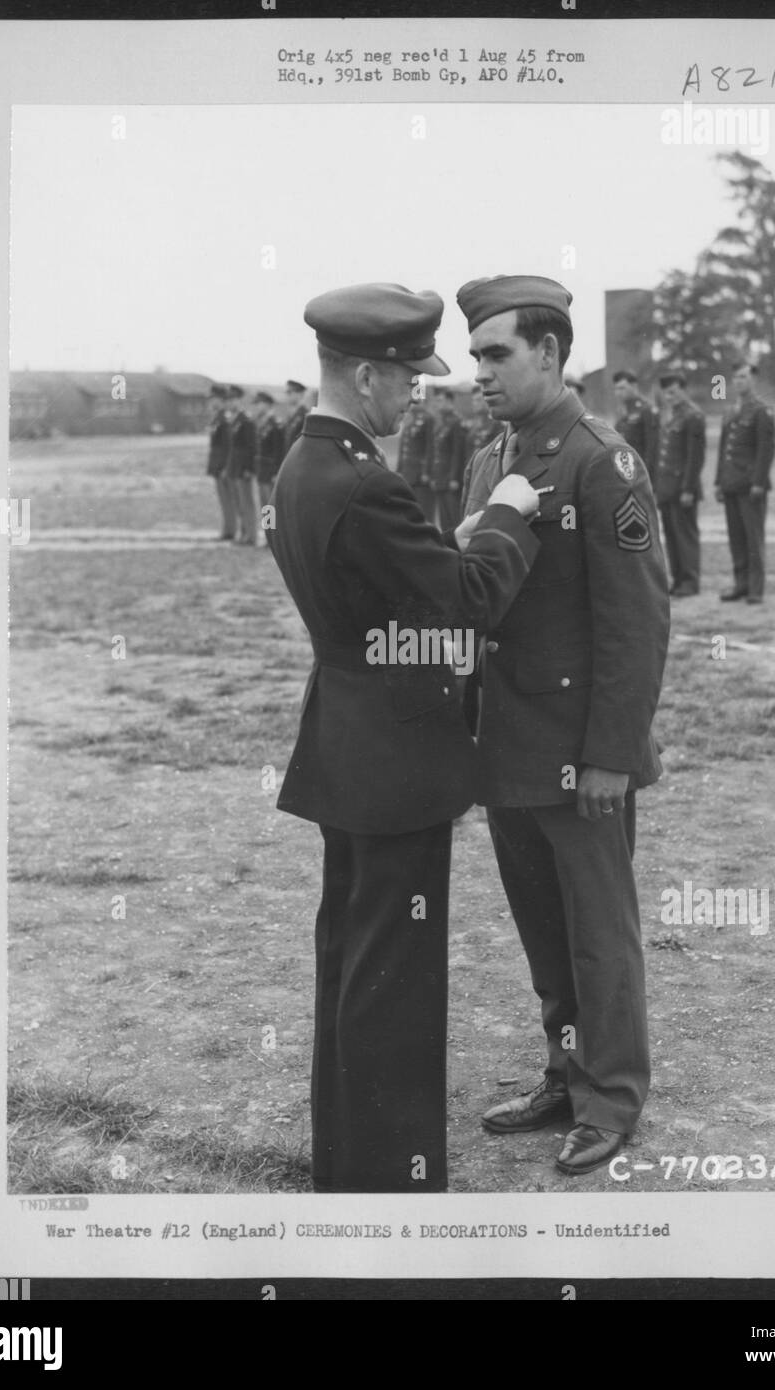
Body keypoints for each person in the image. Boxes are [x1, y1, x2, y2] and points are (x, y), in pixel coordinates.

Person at [266, 282, 542, 1193]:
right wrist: (504, 513)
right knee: (395, 978)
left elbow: (384, 585)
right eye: (406, 378)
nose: (417, 391)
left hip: (347, 746)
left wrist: (447, 541)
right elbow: (463, 604)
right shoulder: (361, 480)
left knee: (352, 961)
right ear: (363, 371)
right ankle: (393, 1184)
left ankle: (348, 1163)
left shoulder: (306, 466)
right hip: (395, 762)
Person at [457, 274, 670, 1176]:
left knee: (597, 931)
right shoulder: (487, 457)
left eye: (496, 354)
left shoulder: (600, 460)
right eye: (474, 357)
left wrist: (612, 756)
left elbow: (637, 621)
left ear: (548, 353)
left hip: (580, 755)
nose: (479, 372)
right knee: (545, 929)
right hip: (508, 744)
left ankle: (611, 1098)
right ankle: (564, 1071)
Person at [715, 363, 775, 603]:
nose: (739, 381)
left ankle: (755, 589)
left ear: (753, 380)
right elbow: (723, 450)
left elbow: (766, 449)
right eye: (735, 377)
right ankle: (740, 584)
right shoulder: (731, 411)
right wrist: (719, 482)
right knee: (736, 537)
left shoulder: (761, 411)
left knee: (753, 538)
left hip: (750, 485)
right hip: (731, 483)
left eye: (743, 377)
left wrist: (759, 482)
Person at [656, 371, 705, 597]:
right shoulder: (670, 416)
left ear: (684, 390)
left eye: (674, 392)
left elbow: (695, 458)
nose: (670, 397)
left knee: (685, 536)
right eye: (666, 393)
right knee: (672, 536)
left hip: (683, 487)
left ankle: (690, 581)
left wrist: (688, 488)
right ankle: (678, 579)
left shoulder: (693, 416)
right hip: (667, 487)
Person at [612, 370, 660, 493]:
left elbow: (652, 447)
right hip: (625, 473)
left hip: (641, 474)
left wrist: (647, 477)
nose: (618, 393)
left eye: (622, 388)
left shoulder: (647, 410)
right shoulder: (622, 412)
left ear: (634, 387)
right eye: (616, 389)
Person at [225, 385, 259, 545]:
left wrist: (249, 468)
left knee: (247, 502)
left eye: (232, 400)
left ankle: (251, 535)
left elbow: (251, 447)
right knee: (239, 502)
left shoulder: (246, 420)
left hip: (244, 468)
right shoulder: (234, 420)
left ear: (239, 400)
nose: (230, 403)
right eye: (228, 400)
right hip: (235, 467)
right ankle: (244, 533)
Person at [430, 386, 468, 529]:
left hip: (451, 480)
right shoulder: (441, 422)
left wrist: (453, 478)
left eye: (440, 400)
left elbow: (458, 452)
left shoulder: (457, 422)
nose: (437, 404)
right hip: (440, 478)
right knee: (444, 519)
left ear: (450, 401)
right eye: (436, 401)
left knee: (454, 520)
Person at [397, 396, 437, 518]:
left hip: (420, 474)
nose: (413, 404)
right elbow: (404, 447)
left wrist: (426, 471)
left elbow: (430, 446)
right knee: (410, 509)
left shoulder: (428, 419)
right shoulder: (409, 418)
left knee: (424, 510)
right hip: (408, 473)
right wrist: (400, 469)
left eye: (416, 401)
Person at [206, 382, 236, 540]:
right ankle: (227, 530)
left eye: (214, 398)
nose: (211, 401)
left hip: (223, 466)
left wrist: (226, 467)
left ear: (221, 399)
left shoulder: (224, 419)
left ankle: (230, 531)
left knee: (228, 500)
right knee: (224, 501)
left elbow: (229, 446)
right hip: (217, 465)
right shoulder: (217, 417)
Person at [252, 391, 284, 537]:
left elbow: (279, 451)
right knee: (264, 505)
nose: (257, 407)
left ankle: (273, 536)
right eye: (256, 404)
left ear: (268, 405)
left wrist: (277, 471)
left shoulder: (275, 424)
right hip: (261, 469)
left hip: (270, 469)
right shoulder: (261, 423)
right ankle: (267, 534)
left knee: (271, 506)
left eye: (259, 404)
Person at [465, 383, 504, 453]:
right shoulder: (474, 425)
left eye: (478, 400)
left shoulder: (496, 424)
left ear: (487, 401)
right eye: (473, 400)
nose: (474, 403)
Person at [282, 379, 309, 456]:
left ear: (300, 394)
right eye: (286, 392)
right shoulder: (291, 415)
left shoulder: (305, 416)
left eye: (289, 392)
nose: (286, 395)